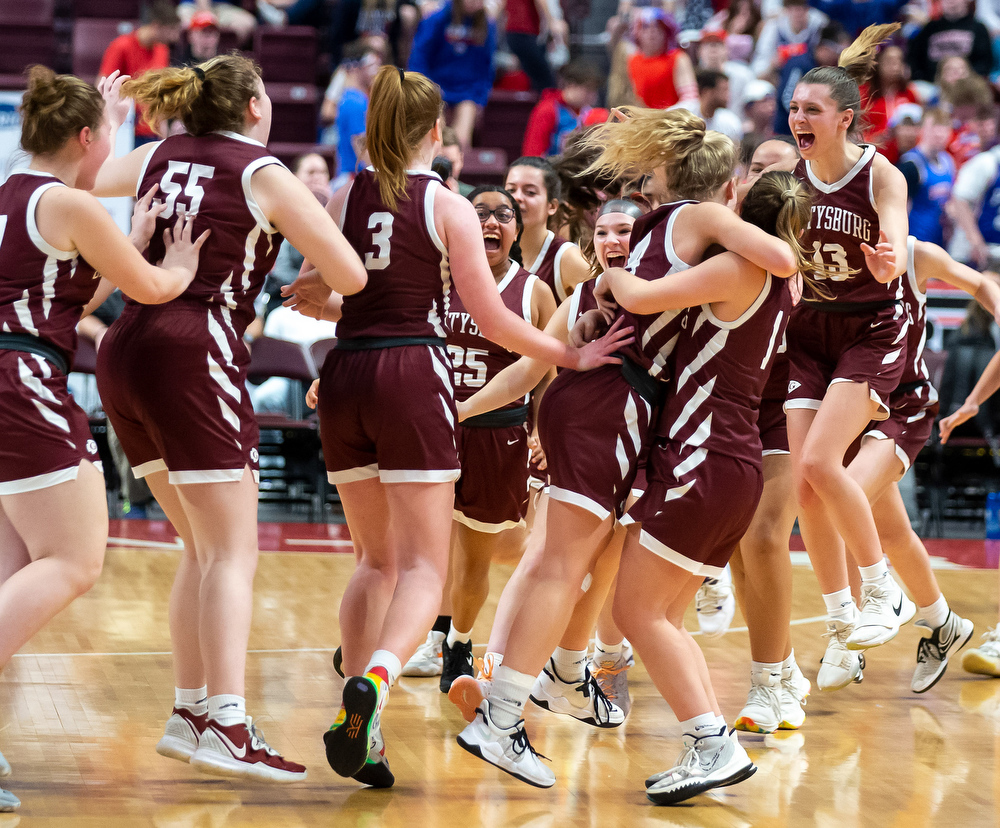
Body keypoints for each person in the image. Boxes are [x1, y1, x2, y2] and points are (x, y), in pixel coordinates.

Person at [282, 66, 629, 789]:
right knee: (421, 568)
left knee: (371, 563)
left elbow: (318, 286)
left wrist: (317, 299)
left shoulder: (343, 192)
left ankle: (364, 725)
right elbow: (498, 318)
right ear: (438, 133)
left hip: (343, 372)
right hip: (411, 373)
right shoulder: (445, 204)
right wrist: (571, 352)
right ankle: (374, 681)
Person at [451, 108, 799, 789]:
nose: (617, 236)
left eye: (622, 227)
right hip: (614, 412)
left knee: (558, 573)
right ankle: (512, 699)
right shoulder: (659, 239)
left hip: (614, 420)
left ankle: (534, 688)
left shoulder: (643, 249)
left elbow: (544, 362)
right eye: (605, 231)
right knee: (562, 574)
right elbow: (536, 363)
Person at [92, 54, 369, 783]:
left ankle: (190, 712)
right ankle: (229, 721)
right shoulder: (263, 171)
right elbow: (351, 275)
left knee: (201, 548)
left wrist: (112, 126)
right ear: (253, 107)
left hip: (125, 348)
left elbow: (83, 179)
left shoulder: (155, 154)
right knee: (230, 554)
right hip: (195, 348)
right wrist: (314, 282)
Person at [0, 65, 207, 811]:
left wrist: (131, 240)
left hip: (9, 371)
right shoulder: (68, 203)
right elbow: (150, 289)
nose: (113, 149)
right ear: (85, 138)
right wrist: (174, 259)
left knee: (16, 565)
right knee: (77, 559)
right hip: (21, 380)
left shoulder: (14, 198)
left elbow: (64, 291)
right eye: (109, 135)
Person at [607, 169, 814, 806]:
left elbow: (641, 297)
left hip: (707, 458)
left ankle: (711, 742)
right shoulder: (785, 284)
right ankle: (709, 739)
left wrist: (613, 265)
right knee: (664, 614)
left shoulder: (740, 273)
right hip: (729, 460)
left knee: (634, 611)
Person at [785, 23, 915, 691]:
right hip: (808, 329)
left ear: (843, 119)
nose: (798, 118)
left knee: (816, 462)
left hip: (869, 329)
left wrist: (889, 256)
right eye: (794, 107)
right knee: (806, 486)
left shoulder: (879, 174)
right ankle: (842, 626)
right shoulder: (787, 173)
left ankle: (881, 588)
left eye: (810, 110)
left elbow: (893, 237)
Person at [845, 238, 992, 693]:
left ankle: (844, 628)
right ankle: (943, 624)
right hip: (848, 403)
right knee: (889, 531)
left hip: (901, 406)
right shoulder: (816, 252)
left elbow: (981, 282)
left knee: (836, 495)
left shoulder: (915, 253)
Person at [440, 186, 557, 692]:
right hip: (433, 431)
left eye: (502, 215)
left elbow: (549, 377)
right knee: (411, 550)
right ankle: (398, 638)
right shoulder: (436, 281)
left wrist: (541, 431)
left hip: (497, 436)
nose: (491, 222)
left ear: (516, 228)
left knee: (475, 557)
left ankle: (458, 642)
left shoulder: (534, 291)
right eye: (479, 212)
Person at [408, 0, 498, 151]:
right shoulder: (436, 19)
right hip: (435, 87)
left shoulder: (487, 25)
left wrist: (480, 98)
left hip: (467, 91)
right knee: (436, 139)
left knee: (461, 141)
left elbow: (487, 66)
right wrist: (425, 91)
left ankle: (458, 172)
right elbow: (419, 58)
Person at [504, 157, 592, 303]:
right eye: (511, 190)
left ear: (552, 206)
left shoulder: (568, 259)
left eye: (530, 192)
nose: (517, 197)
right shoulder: (491, 252)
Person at [98, 0, 181, 145]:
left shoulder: (163, 50)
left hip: (152, 131)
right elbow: (103, 85)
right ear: (156, 26)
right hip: (126, 129)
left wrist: (164, 133)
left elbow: (161, 92)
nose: (175, 37)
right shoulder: (121, 46)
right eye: (171, 30)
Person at [521, 60, 602, 157]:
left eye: (594, 91)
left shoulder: (589, 112)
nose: (593, 97)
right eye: (588, 90)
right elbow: (532, 153)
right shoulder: (548, 109)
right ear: (571, 85)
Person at [899, 108, 955, 248]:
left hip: (940, 243)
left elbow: (949, 202)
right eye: (934, 128)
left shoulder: (948, 161)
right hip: (915, 243)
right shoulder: (911, 165)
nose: (939, 133)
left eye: (944, 128)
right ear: (922, 129)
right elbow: (900, 208)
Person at [627, 8, 697, 110]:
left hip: (671, 121)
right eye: (645, 27)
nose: (652, 31)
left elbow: (691, 100)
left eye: (658, 26)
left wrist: (665, 118)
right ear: (637, 32)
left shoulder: (678, 58)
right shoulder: (632, 61)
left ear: (666, 32)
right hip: (641, 121)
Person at [907, 0, 993, 82]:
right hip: (932, 84)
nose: (951, 1)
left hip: (967, 85)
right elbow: (915, 59)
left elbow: (984, 63)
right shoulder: (930, 28)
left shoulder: (979, 28)